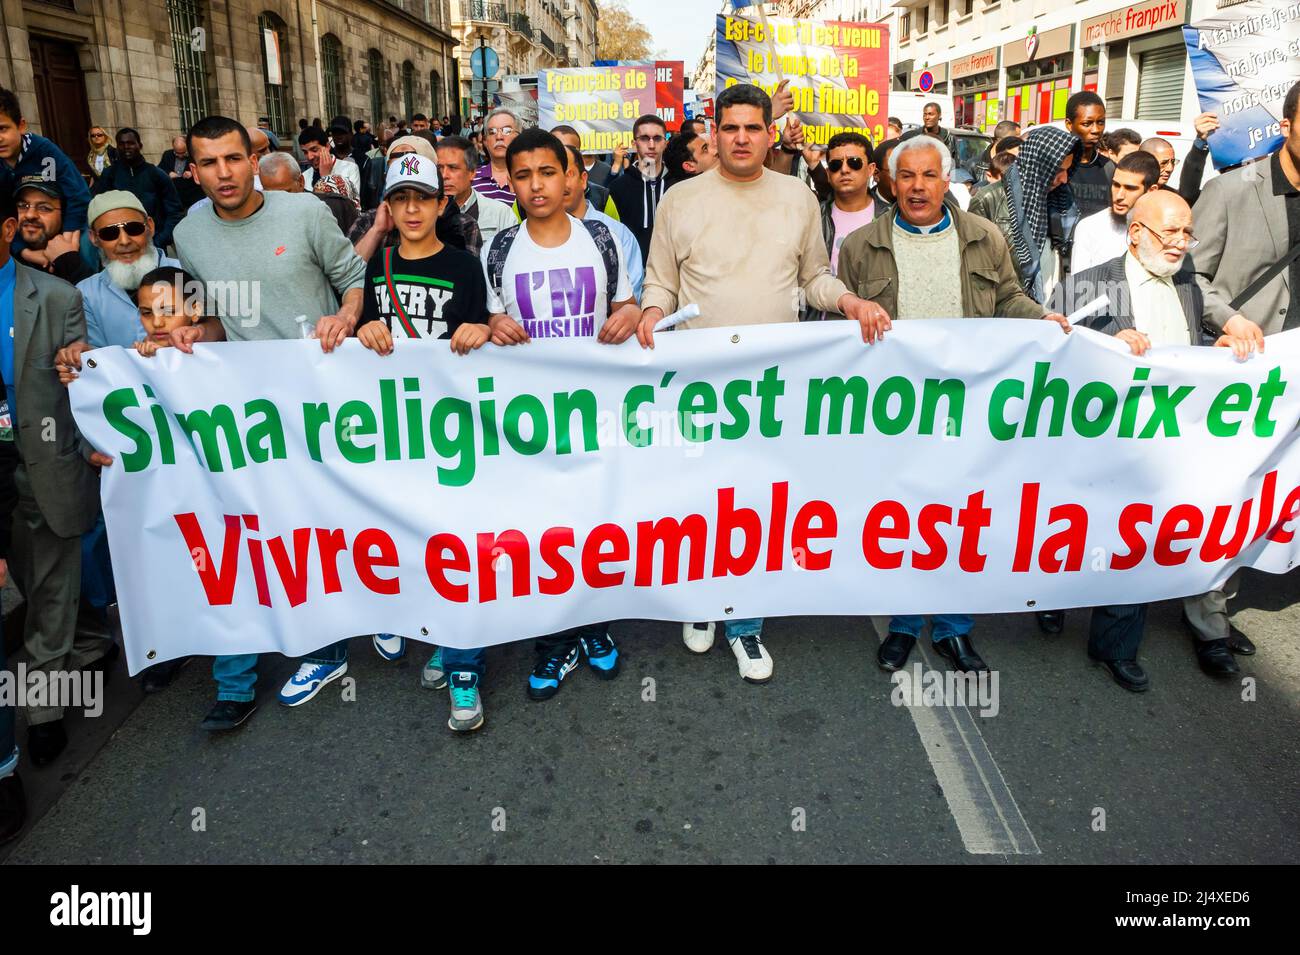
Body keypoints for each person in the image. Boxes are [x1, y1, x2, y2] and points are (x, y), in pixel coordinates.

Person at [116, 115, 366, 730]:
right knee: (274, 529)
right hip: (250, 411)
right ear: (192, 171)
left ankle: (372, 613)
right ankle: (320, 645)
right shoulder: (190, 233)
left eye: (233, 159)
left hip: (329, 399)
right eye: (208, 163)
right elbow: (218, 321)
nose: (223, 173)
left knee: (339, 518)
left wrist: (347, 318)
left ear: (254, 159)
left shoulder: (304, 212)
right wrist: (190, 333)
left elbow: (353, 280)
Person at [635, 83, 888, 683]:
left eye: (754, 128)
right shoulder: (679, 200)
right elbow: (662, 283)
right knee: (698, 502)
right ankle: (699, 603)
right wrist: (650, 312)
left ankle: (745, 622)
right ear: (713, 133)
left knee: (754, 507)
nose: (742, 138)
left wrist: (847, 299)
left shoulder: (798, 198)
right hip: (694, 381)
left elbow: (813, 279)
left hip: (771, 386)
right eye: (730, 128)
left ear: (769, 133)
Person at [837, 134, 1069, 675]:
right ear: (890, 183)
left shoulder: (984, 237)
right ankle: (901, 623)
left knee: (959, 519)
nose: (918, 187)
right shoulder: (861, 245)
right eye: (907, 177)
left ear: (948, 181)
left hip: (969, 403)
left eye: (929, 176)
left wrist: (1040, 319)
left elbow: (1008, 296)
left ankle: (954, 629)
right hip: (892, 409)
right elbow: (841, 327)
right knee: (897, 518)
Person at [1048, 190, 1253, 690]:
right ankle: (1076, 618)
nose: (1182, 243)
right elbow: (1051, 354)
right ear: (1136, 232)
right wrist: (1106, 346)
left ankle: (1171, 639)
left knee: (1169, 535)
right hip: (1108, 442)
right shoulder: (1091, 285)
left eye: (1188, 232)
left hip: (1176, 443)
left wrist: (1224, 340)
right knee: (1103, 537)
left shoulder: (1187, 283)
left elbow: (1199, 334)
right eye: (1171, 232)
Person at [481, 128, 639, 700]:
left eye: (546, 172)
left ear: (569, 176)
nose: (536, 185)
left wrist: (631, 313)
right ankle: (554, 641)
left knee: (595, 528)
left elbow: (624, 305)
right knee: (544, 537)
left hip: (595, 416)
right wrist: (493, 326)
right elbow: (490, 327)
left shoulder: (601, 239)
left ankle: (594, 628)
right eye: (522, 175)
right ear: (510, 182)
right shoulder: (497, 249)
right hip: (529, 427)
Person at [352, 154, 492, 730]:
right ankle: (434, 633)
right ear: (388, 207)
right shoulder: (374, 265)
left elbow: (486, 331)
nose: (412, 209)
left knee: (459, 547)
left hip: (456, 436)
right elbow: (352, 330)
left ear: (442, 203)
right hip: (396, 436)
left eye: (423, 198)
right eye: (401, 199)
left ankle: (465, 667)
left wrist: (480, 329)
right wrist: (362, 328)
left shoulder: (464, 265)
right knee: (416, 547)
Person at [1180, 81, 1300, 673]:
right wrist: (1230, 320)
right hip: (1247, 371)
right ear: (1288, 122)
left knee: (1282, 497)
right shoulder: (1232, 189)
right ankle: (1209, 618)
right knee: (1232, 497)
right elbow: (1190, 275)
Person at [0, 192, 109, 767]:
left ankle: (43, 708)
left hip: (41, 463)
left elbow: (79, 385)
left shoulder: (57, 297)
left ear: (9, 228)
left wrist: (81, 363)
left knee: (46, 587)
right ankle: (92, 642)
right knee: (41, 579)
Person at [74, 192, 181, 349]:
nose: (124, 241)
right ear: (94, 238)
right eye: (109, 233)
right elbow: (97, 357)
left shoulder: (186, 272)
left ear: (150, 227)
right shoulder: (86, 294)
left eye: (133, 228)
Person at [0, 87, 92, 249]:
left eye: (2, 129)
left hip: (61, 230)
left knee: (85, 246)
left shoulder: (45, 151)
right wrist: (22, 251)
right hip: (18, 233)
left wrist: (68, 237)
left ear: (21, 126)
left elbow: (78, 195)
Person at [1003, 125, 1079, 301]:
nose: (1065, 179)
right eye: (1059, 170)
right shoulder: (991, 199)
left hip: (1054, 305)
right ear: (1037, 164)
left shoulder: (1064, 199)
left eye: (1068, 170)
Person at [562, 143, 643, 298]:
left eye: (567, 174)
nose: (559, 183)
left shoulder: (617, 234)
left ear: (583, 179)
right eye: (550, 174)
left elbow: (631, 299)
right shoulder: (530, 237)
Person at [1069, 150, 1161, 273]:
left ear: (1152, 191)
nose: (1119, 195)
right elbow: (1078, 284)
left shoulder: (1162, 231)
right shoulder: (1089, 227)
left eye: (1130, 188)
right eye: (1116, 185)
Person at [90, 128, 183, 250]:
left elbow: (175, 212)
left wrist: (160, 240)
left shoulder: (156, 174)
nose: (126, 147)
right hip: (119, 246)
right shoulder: (109, 175)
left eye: (131, 143)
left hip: (153, 245)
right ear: (117, 147)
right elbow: (100, 210)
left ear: (140, 145)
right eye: (122, 144)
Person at [437, 135, 515, 254]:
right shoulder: (425, 215)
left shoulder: (501, 214)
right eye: (439, 168)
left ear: (472, 172)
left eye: (453, 168)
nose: (444, 175)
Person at [817, 132, 877, 282]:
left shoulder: (890, 218)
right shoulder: (814, 216)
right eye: (835, 165)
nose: (844, 170)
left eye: (854, 162)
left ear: (870, 169)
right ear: (828, 174)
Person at [609, 114, 669, 261]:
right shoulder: (618, 187)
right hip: (634, 272)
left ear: (665, 143)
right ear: (634, 144)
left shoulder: (678, 185)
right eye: (644, 138)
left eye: (657, 138)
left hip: (673, 273)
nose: (651, 145)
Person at [13, 177, 96, 284]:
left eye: (44, 208)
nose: (30, 215)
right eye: (22, 206)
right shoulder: (6, 250)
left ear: (65, 214)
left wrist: (68, 261)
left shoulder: (89, 250)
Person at [550, 126, 621, 220]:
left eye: (571, 149)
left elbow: (615, 232)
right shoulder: (530, 197)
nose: (565, 154)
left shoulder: (602, 197)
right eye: (557, 150)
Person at [1064, 91, 1112, 219]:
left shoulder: (1110, 168)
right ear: (1069, 124)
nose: (1096, 130)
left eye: (1101, 122)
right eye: (1087, 124)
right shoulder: (1056, 166)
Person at [471, 108, 520, 205]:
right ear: (485, 141)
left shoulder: (530, 179)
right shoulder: (471, 178)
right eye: (492, 132)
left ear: (518, 137)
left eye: (506, 130)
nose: (499, 137)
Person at [299, 125, 361, 201]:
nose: (309, 157)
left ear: (327, 146)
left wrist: (326, 179)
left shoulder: (349, 168)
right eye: (305, 152)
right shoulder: (304, 177)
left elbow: (351, 205)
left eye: (314, 150)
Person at [968, 119, 1020, 184]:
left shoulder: (1018, 163)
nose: (1020, 141)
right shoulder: (974, 164)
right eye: (1017, 137)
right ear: (1004, 140)